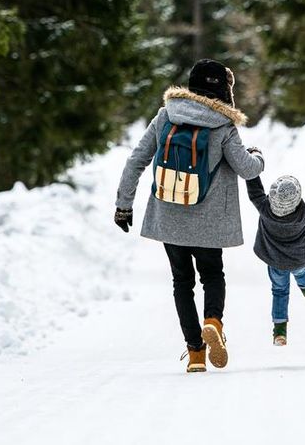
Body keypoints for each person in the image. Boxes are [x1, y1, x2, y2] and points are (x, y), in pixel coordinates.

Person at [113, 59, 265, 373]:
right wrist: (258, 156)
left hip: (170, 216)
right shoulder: (223, 125)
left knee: (182, 282)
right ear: (224, 90)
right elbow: (247, 169)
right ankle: (213, 322)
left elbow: (136, 160)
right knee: (212, 275)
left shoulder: (166, 115)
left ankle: (195, 353)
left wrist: (123, 205)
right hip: (210, 222)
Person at [245, 163, 305, 346]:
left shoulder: (264, 208)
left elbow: (255, 190)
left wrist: (252, 164)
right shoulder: (303, 213)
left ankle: (280, 331)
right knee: (302, 273)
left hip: (276, 262)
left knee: (279, 291)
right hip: (300, 259)